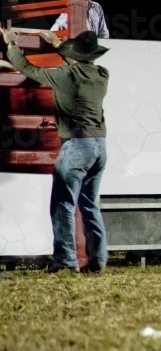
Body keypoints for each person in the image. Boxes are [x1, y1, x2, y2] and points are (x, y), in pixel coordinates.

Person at [2, 28, 110, 273]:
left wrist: (11, 46)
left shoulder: (65, 75)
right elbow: (76, 63)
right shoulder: (102, 74)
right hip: (100, 146)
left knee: (63, 204)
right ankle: (98, 260)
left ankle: (66, 261)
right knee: (89, 205)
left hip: (76, 146)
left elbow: (29, 69)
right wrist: (59, 46)